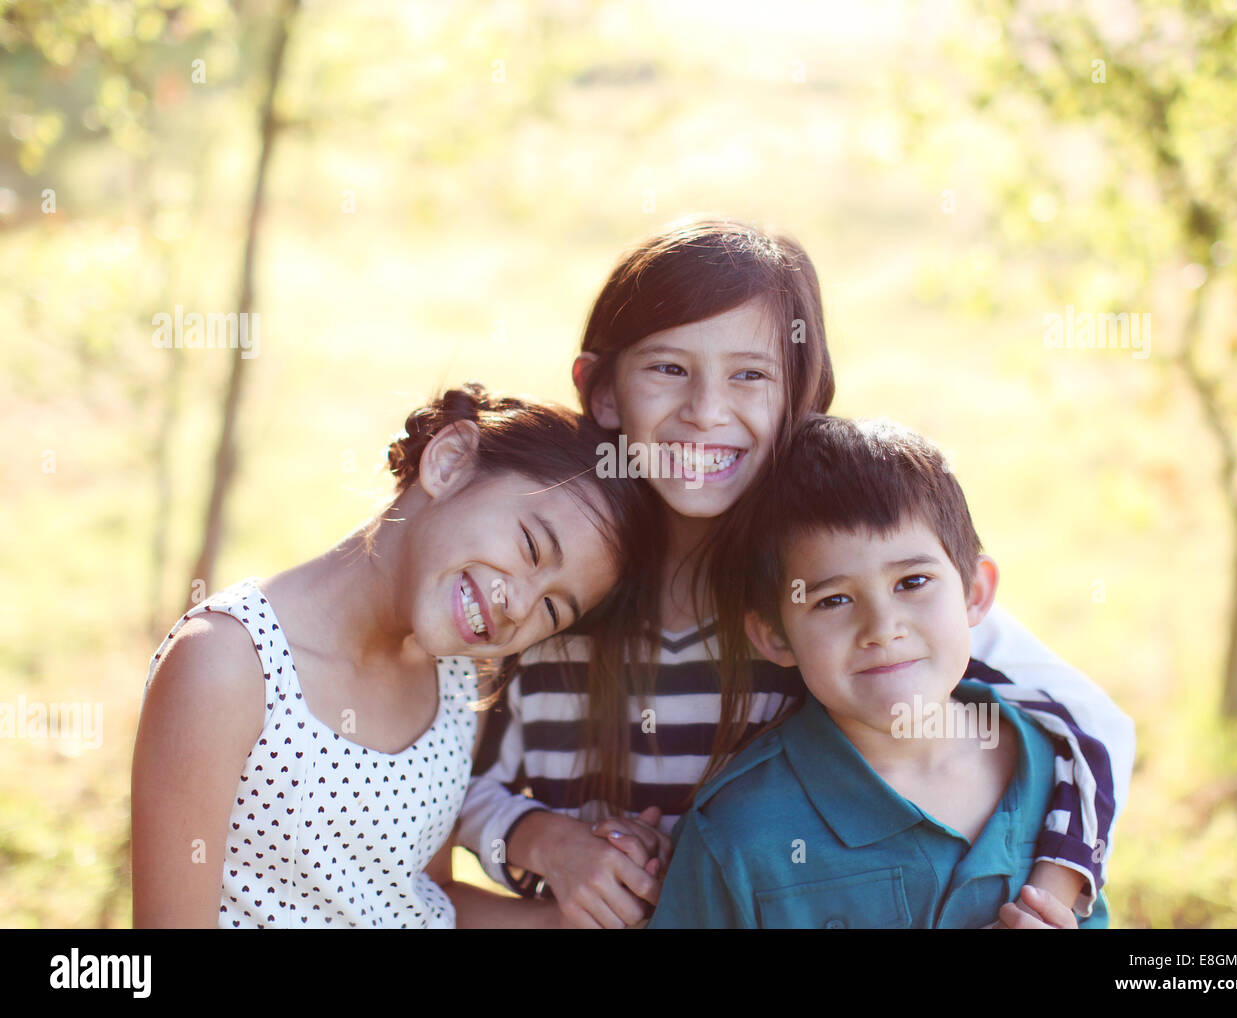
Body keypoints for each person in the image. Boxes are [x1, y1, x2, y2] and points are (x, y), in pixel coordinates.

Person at [456, 219, 1135, 929]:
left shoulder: (845, 587)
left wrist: (1053, 898)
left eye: (749, 375)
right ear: (601, 392)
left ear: (799, 397)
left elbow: (1084, 727)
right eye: (667, 368)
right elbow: (447, 786)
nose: (706, 411)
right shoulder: (556, 588)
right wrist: (547, 843)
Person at [131, 383, 656, 928]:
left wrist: (571, 917)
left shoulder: (460, 683)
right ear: (450, 461)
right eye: (530, 546)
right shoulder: (226, 664)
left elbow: (422, 897)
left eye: (552, 609)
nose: (519, 604)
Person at [648, 415, 1110, 928]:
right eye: (834, 599)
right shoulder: (738, 834)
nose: (882, 628)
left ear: (974, 593)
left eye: (912, 582)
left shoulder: (1056, 765)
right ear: (776, 636)